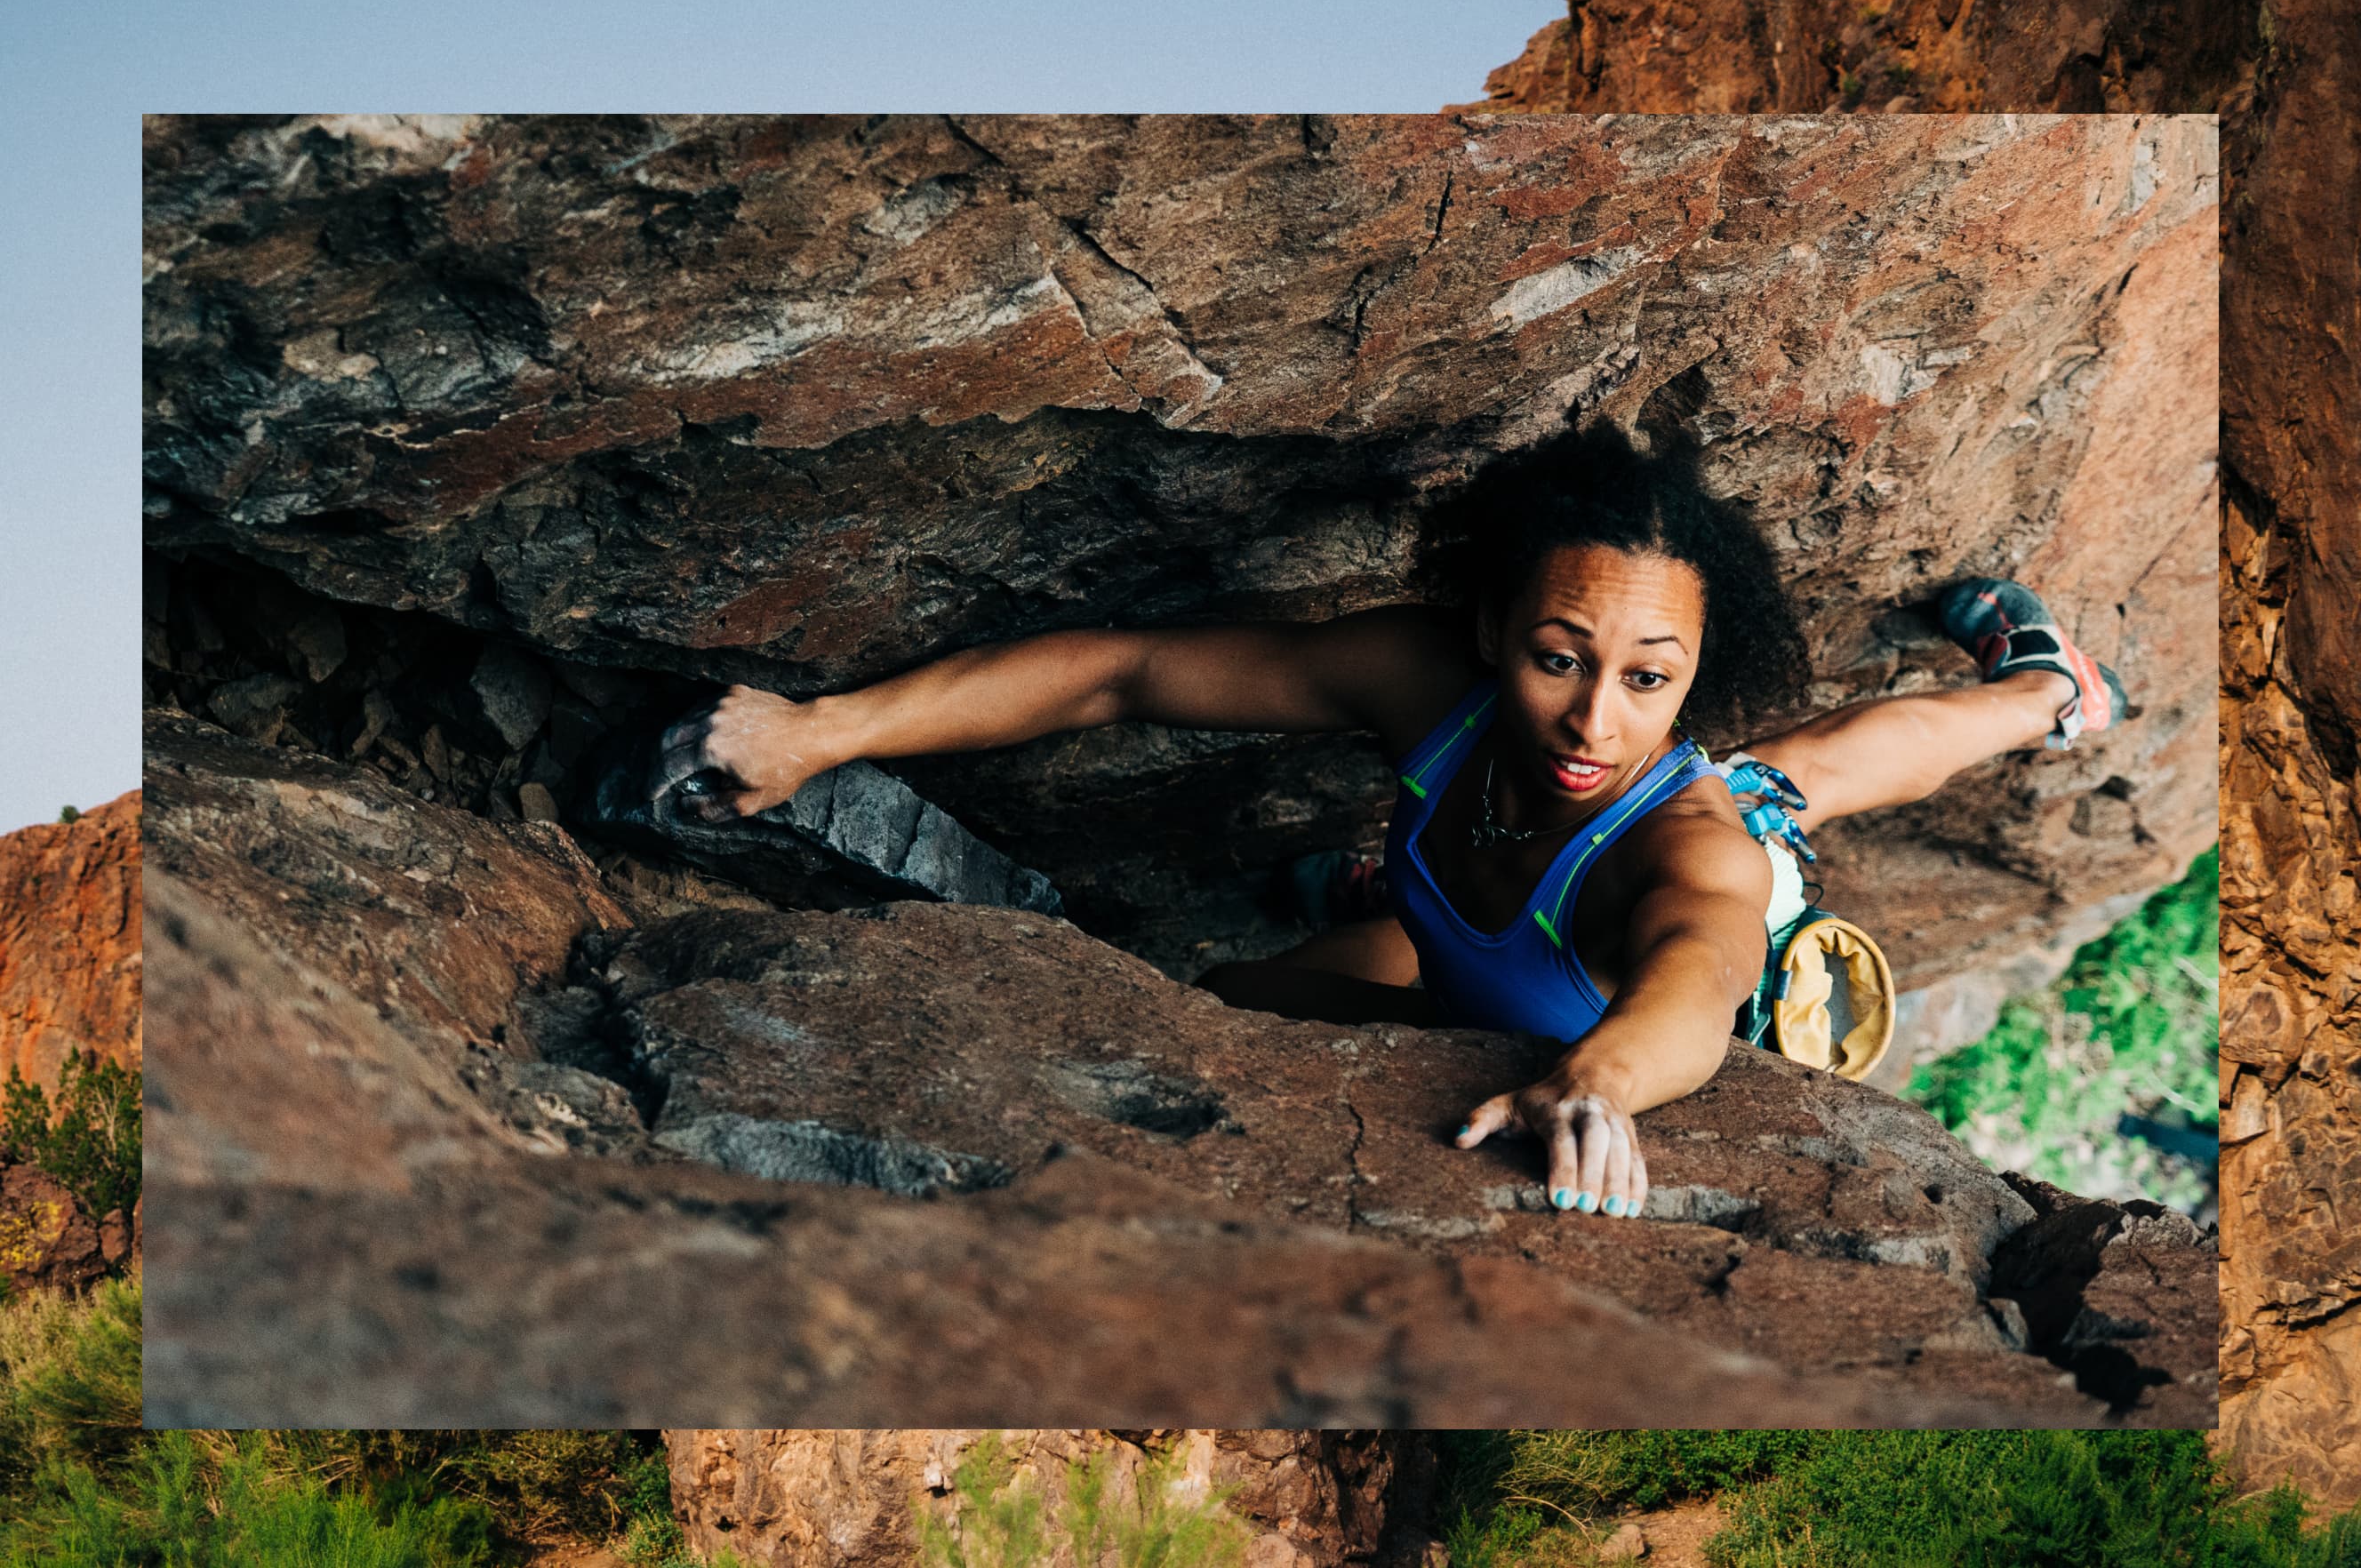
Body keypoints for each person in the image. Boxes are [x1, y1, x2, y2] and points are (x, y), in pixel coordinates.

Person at [654, 424, 2127, 1220]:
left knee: (1793, 777)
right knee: (1227, 996)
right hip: (1472, 943)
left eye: (1648, 680)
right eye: (1558, 657)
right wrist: (817, 731)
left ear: (1690, 676)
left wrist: (1600, 1084)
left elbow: (1698, 972)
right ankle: (1390, 886)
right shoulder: (1427, 682)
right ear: (1490, 626)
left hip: (1605, 970)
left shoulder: (1684, 848)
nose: (1594, 719)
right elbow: (1123, 674)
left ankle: (2047, 692)